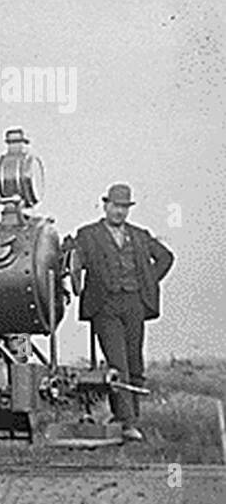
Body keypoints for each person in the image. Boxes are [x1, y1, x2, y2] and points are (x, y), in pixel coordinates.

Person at [70, 184, 175, 442]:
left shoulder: (140, 236)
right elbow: (72, 257)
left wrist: (148, 281)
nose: (119, 212)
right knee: (118, 364)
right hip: (104, 307)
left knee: (135, 363)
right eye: (115, 206)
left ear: (128, 210)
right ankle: (126, 423)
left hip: (134, 305)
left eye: (124, 208)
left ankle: (130, 420)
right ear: (105, 205)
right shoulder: (88, 235)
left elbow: (166, 257)